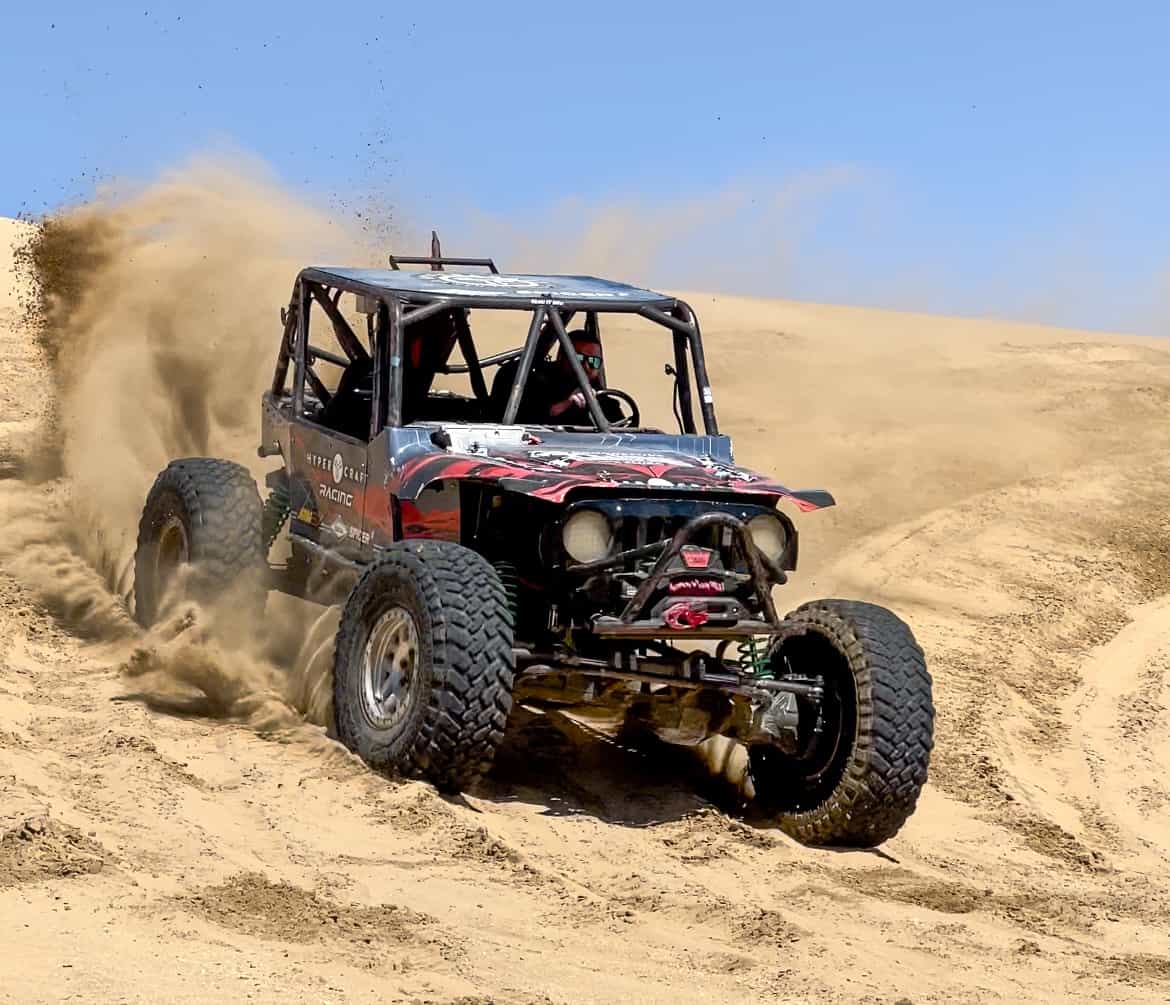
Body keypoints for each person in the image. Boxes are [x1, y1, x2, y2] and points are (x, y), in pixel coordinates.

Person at [532, 329, 625, 426]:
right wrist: (566, 404)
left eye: (593, 361)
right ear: (561, 358)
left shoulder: (606, 403)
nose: (586, 366)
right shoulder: (537, 389)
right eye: (578, 359)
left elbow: (624, 434)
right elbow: (528, 422)